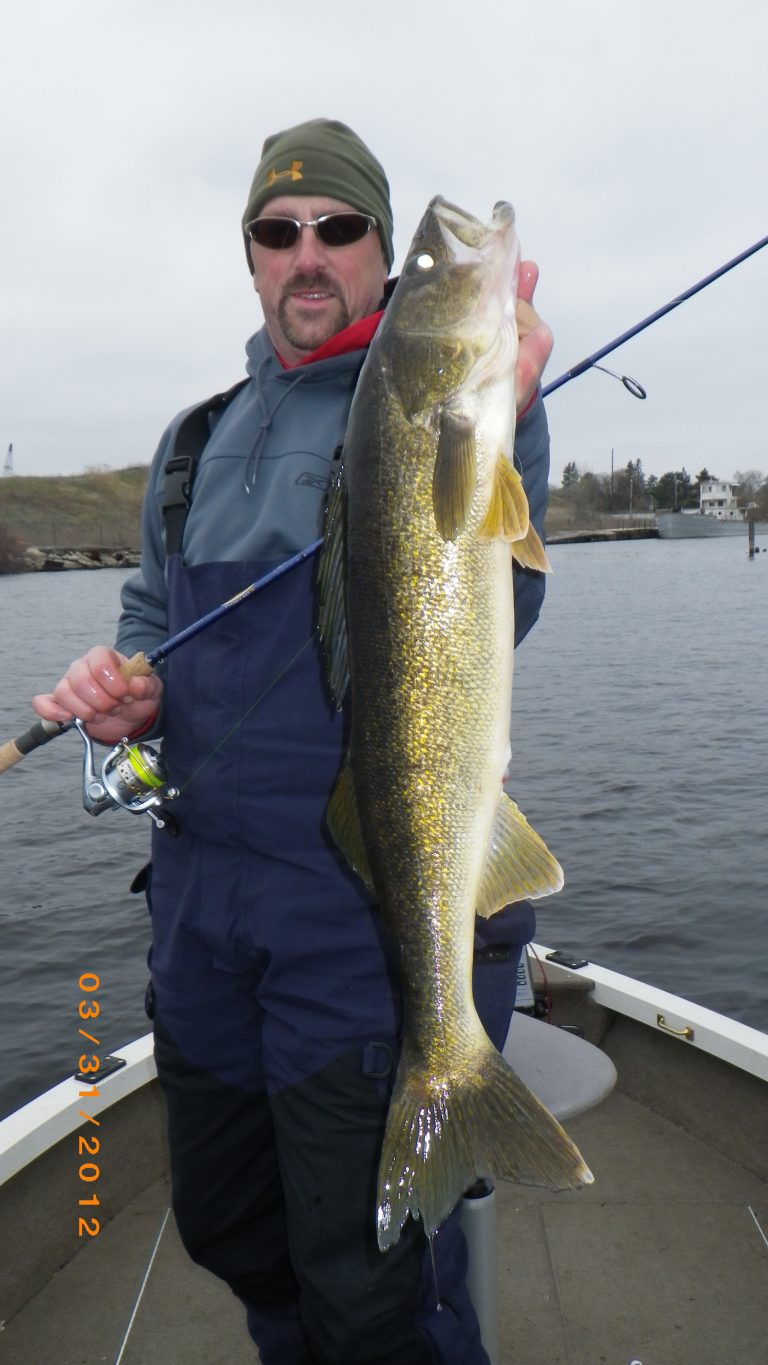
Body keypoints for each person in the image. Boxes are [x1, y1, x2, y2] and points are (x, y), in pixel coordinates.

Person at [33, 119, 555, 1365]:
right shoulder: (193, 442)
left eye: (341, 229)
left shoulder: (459, 413)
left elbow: (507, 600)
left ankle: (449, 1104)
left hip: (358, 915)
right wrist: (132, 691)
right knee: (234, 1228)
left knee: (369, 1283)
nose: (307, 254)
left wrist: (499, 418)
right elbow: (153, 625)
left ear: (376, 253)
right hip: (204, 911)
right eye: (279, 232)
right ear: (252, 258)